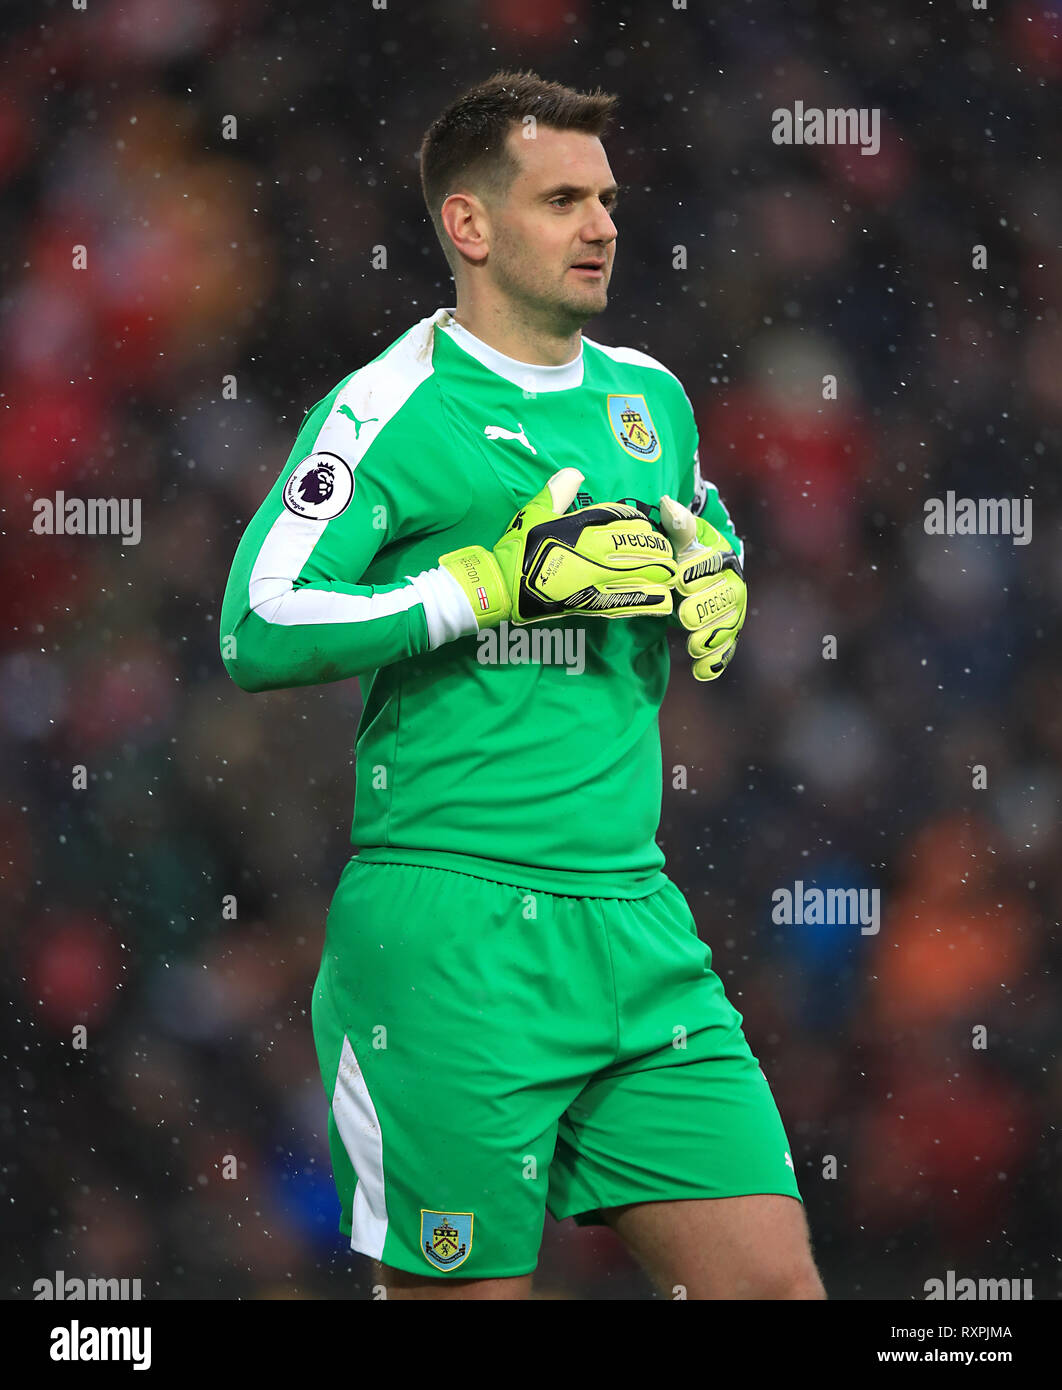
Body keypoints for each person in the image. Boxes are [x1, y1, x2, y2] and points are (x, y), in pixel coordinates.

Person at [220, 68, 825, 1301]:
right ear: (471, 227)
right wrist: (482, 585)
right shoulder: (390, 408)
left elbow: (691, 538)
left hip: (635, 922)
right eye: (563, 199)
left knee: (773, 1286)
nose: (604, 224)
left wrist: (719, 579)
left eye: (605, 197)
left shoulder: (647, 398)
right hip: (452, 932)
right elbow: (258, 623)